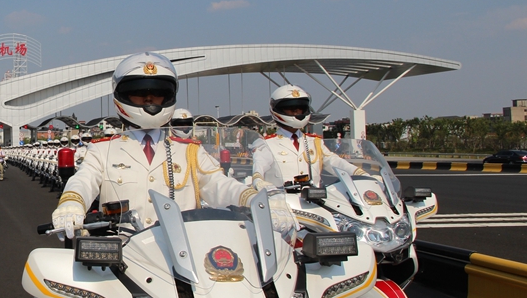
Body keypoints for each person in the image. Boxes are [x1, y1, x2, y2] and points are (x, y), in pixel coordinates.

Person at [52, 53, 259, 236]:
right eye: (140, 93)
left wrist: (252, 199)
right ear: (122, 96)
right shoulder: (103, 150)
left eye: (157, 92)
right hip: (124, 254)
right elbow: (84, 180)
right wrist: (72, 202)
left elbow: (219, 185)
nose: (149, 98)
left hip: (183, 253)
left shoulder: (190, 150)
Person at [252, 84, 363, 186]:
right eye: (291, 109)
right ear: (278, 110)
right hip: (281, 203)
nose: (297, 112)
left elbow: (335, 162)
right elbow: (258, 170)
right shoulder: (266, 143)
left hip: (314, 204)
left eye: (301, 108)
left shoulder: (314, 142)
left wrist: (360, 174)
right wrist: (260, 183)